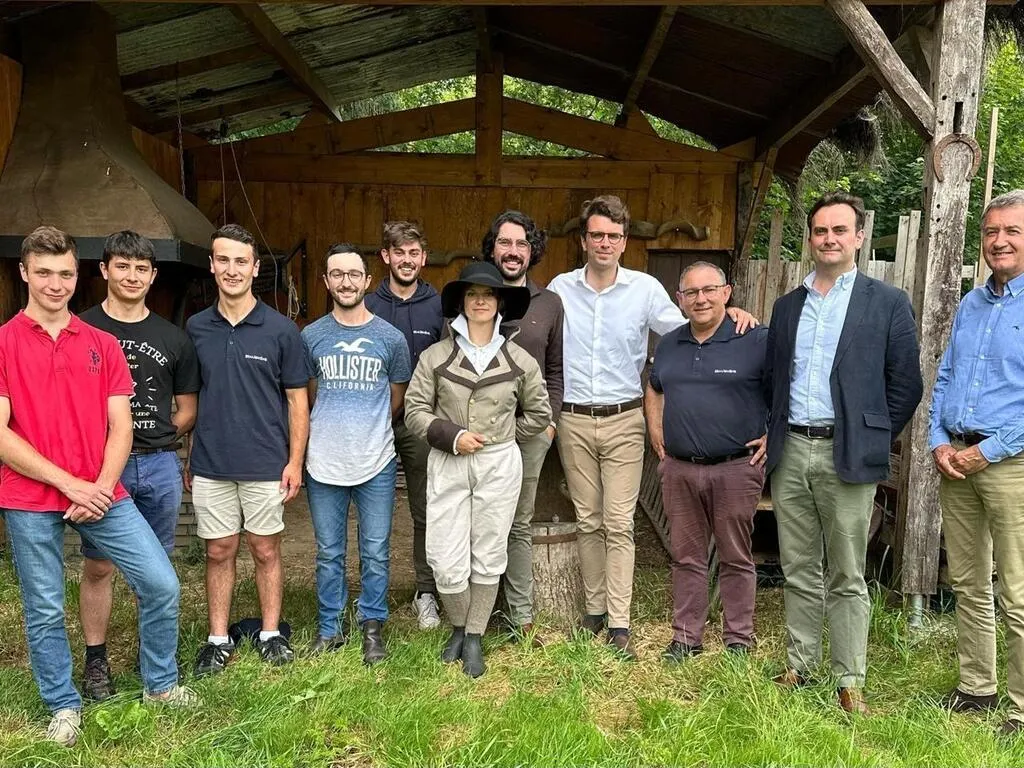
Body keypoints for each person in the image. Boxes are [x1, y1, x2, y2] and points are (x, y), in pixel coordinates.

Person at [0, 227, 194, 748]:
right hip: (29, 497)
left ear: (77, 274)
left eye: (65, 273)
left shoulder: (102, 343)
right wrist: (71, 486)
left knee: (161, 583)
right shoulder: (3, 343)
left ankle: (160, 685)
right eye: (43, 272)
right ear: (24, 273)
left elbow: (122, 426)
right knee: (43, 606)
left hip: (102, 491)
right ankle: (63, 704)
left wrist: (101, 487)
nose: (55, 283)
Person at [547, 194, 756, 660]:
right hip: (575, 419)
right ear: (584, 240)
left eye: (614, 236)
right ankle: (594, 610)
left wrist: (734, 311)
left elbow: (692, 324)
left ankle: (620, 621)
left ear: (625, 242)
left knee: (619, 523)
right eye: (597, 234)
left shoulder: (643, 290)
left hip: (624, 418)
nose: (605, 243)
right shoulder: (560, 288)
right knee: (588, 520)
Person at [765, 191, 923, 715]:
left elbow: (906, 385)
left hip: (847, 453)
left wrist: (872, 435)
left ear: (858, 237)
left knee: (848, 572)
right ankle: (801, 663)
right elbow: (773, 379)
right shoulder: (789, 306)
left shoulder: (887, 302)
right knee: (798, 565)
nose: (828, 239)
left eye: (839, 230)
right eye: (820, 231)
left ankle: (849, 677)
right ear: (810, 239)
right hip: (792, 451)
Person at [404, 262, 550, 677]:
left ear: (500, 302)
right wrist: (451, 435)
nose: (481, 300)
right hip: (448, 460)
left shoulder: (519, 359)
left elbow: (539, 412)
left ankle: (473, 635)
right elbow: (414, 410)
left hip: (498, 463)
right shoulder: (435, 356)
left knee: (487, 550)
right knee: (445, 556)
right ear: (462, 303)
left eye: (488, 294)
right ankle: (458, 623)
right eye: (472, 294)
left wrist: (502, 437)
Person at [76, 230, 200, 701]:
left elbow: (187, 408)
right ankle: (96, 662)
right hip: (104, 469)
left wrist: (161, 436)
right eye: (122, 266)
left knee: (158, 570)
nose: (131, 276)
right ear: (104, 270)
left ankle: (157, 669)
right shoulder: (80, 329)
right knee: (100, 567)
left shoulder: (172, 337)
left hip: (160, 465)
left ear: (153, 275)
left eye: (141, 268)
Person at [187, 224, 311, 676]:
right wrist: (191, 453)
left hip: (265, 463)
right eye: (224, 260)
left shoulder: (281, 330)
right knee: (219, 551)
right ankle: (218, 638)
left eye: (242, 261)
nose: (232, 269)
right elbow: (192, 398)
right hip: (213, 464)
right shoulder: (196, 328)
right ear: (212, 265)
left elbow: (298, 401)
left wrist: (295, 462)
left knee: (264, 549)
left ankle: (271, 633)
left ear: (256, 268)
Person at [929, 189, 1024, 737]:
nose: (999, 241)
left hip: (1009, 463)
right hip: (956, 460)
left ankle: (1020, 707)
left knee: (1016, 588)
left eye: (1011, 231)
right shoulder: (971, 303)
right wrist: (940, 440)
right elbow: (946, 377)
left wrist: (986, 451)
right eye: (991, 232)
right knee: (967, 582)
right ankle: (976, 688)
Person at [645, 262, 768, 661]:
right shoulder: (670, 343)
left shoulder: (753, 338)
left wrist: (773, 434)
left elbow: (787, 388)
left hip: (736, 467)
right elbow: (654, 386)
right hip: (679, 467)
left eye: (709, 290)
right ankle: (686, 638)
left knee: (735, 555)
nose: (701, 299)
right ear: (679, 300)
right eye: (691, 292)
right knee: (686, 556)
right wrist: (655, 429)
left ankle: (738, 640)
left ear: (727, 292)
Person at [302, 243, 411, 665]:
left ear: (367, 281)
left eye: (353, 274)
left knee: (376, 548)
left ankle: (372, 625)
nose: (345, 282)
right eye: (336, 274)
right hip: (324, 462)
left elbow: (396, 398)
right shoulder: (311, 336)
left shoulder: (391, 338)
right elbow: (310, 398)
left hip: (376, 461)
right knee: (329, 551)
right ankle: (330, 627)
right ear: (326, 281)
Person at [480, 210, 563, 645]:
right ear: (492, 247)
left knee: (518, 522)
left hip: (530, 432)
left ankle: (520, 613)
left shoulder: (548, 303)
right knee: (479, 518)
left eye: (521, 245)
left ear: (532, 252)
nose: (513, 252)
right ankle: (478, 609)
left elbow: (555, 369)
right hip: (478, 433)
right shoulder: (472, 296)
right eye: (505, 243)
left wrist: (549, 425)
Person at [365, 221, 444, 630]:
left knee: (425, 510)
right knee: (369, 509)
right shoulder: (367, 304)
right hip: (372, 422)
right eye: (400, 252)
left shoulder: (438, 306)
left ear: (423, 258)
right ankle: (369, 591)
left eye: (414, 253)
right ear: (386, 256)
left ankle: (426, 591)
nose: (407, 260)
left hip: (420, 424)